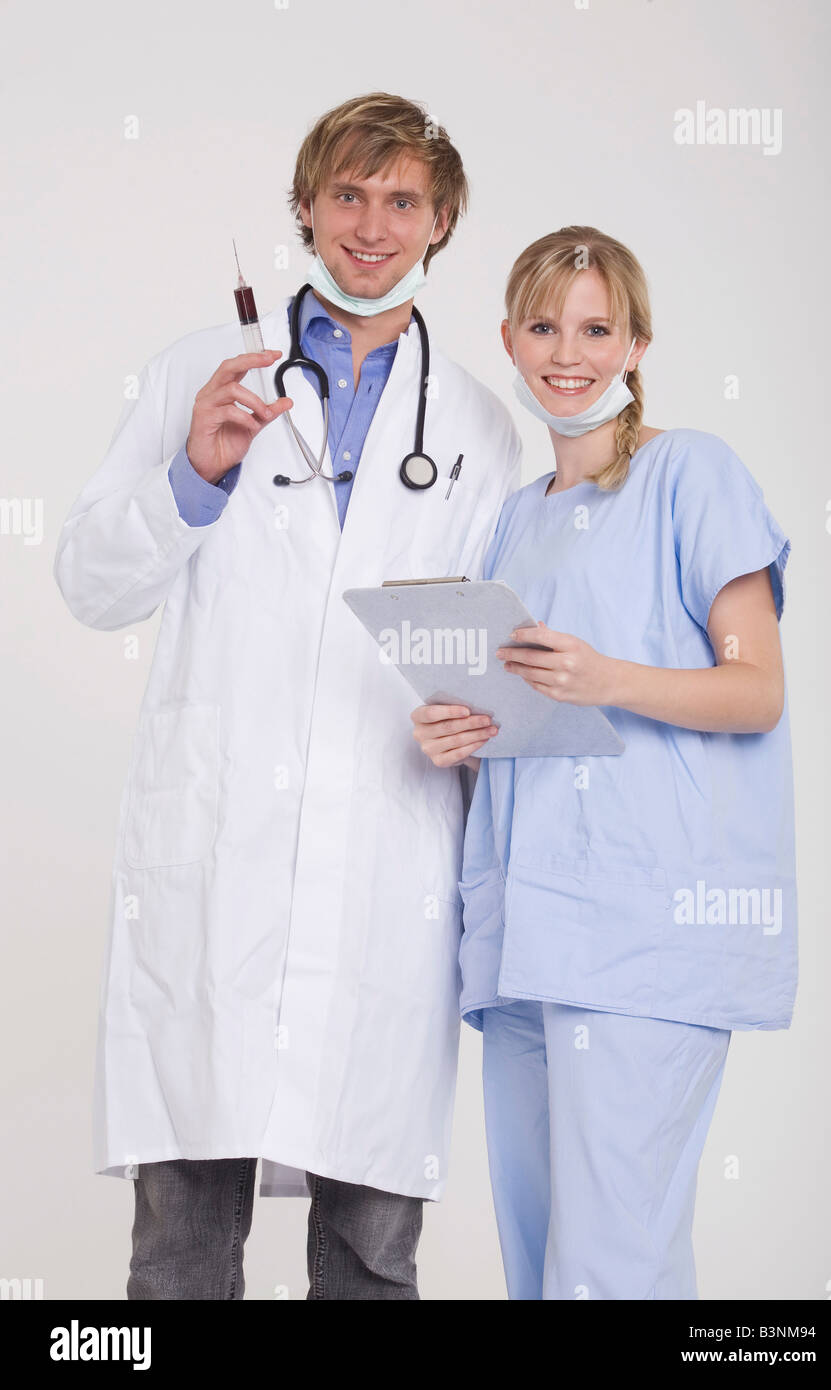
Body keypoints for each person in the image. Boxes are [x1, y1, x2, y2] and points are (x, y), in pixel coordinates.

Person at [53, 92, 522, 1300]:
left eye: (401, 199)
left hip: (386, 865)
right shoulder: (198, 372)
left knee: (371, 1256)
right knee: (178, 1255)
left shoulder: (475, 424)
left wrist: (477, 724)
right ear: (305, 209)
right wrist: (193, 474)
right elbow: (91, 583)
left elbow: (488, 660)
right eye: (347, 195)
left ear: (443, 217)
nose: (371, 225)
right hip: (215, 858)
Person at [412, 225, 797, 1300]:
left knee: (610, 1272)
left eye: (593, 327)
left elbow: (754, 686)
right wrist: (460, 739)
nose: (565, 351)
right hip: (528, 937)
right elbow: (530, 727)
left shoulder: (691, 472)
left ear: (635, 342)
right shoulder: (513, 521)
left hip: (644, 934)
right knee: (537, 1271)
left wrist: (608, 677)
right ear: (507, 338)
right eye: (542, 325)